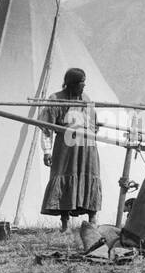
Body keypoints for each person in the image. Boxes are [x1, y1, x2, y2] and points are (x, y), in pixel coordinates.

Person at [39, 67, 102, 231]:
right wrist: (46, 150)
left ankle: (92, 220)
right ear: (71, 84)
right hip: (66, 148)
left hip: (87, 148)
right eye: (81, 83)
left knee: (89, 177)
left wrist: (89, 131)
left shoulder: (86, 99)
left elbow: (94, 124)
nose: (83, 86)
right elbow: (46, 128)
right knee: (65, 178)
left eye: (84, 83)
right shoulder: (56, 99)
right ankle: (65, 222)